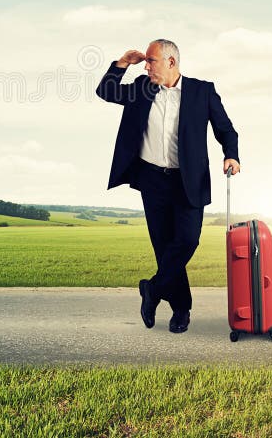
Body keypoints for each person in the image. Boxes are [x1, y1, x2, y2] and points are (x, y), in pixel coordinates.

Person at [95, 38, 240, 333]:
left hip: (189, 180)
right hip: (152, 180)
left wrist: (231, 155)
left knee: (187, 241)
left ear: (171, 62)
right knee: (164, 248)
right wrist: (122, 63)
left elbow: (225, 128)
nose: (146, 66)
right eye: (146, 61)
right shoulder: (141, 88)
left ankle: (152, 290)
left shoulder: (203, 91)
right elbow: (106, 92)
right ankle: (181, 310)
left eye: (151, 61)